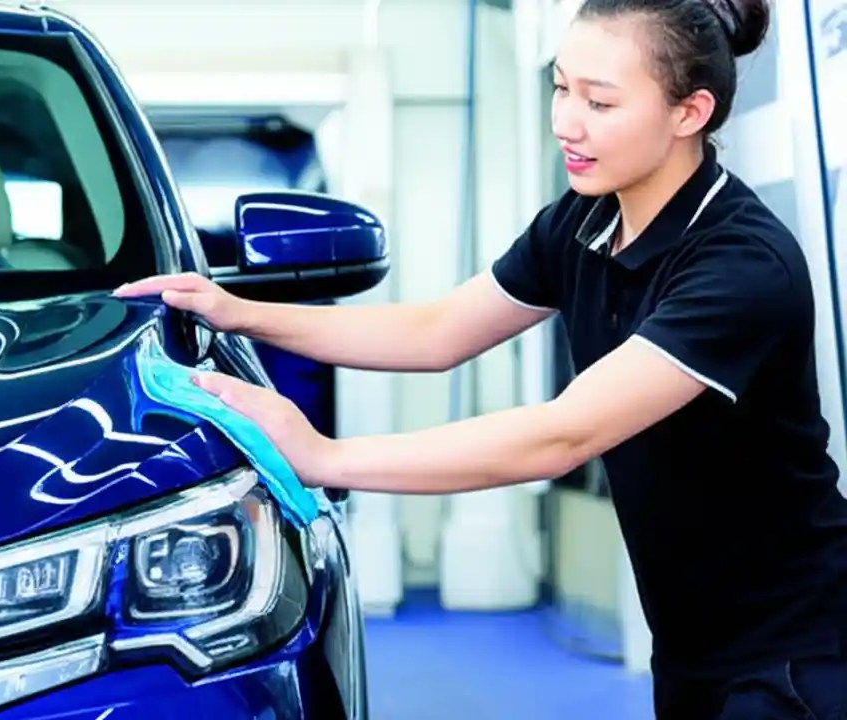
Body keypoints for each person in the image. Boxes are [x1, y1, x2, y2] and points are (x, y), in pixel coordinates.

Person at [115, 0, 847, 717]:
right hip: (693, 641)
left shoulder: (741, 267)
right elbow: (437, 334)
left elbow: (565, 434)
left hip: (799, 649)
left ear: (689, 113)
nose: (565, 122)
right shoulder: (584, 220)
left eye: (600, 101)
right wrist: (237, 311)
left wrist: (323, 457)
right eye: (562, 87)